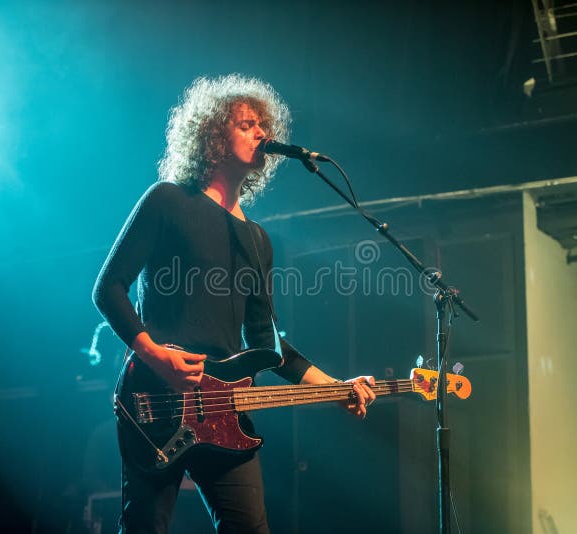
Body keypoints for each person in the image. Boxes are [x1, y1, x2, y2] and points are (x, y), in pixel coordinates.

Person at [92, 73, 376, 534]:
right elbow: (108, 288)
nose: (261, 133)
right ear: (212, 134)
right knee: (146, 527)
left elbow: (269, 343)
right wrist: (155, 354)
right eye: (246, 124)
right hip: (157, 396)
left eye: (263, 125)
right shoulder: (167, 201)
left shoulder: (257, 239)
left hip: (224, 410)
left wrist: (337, 387)